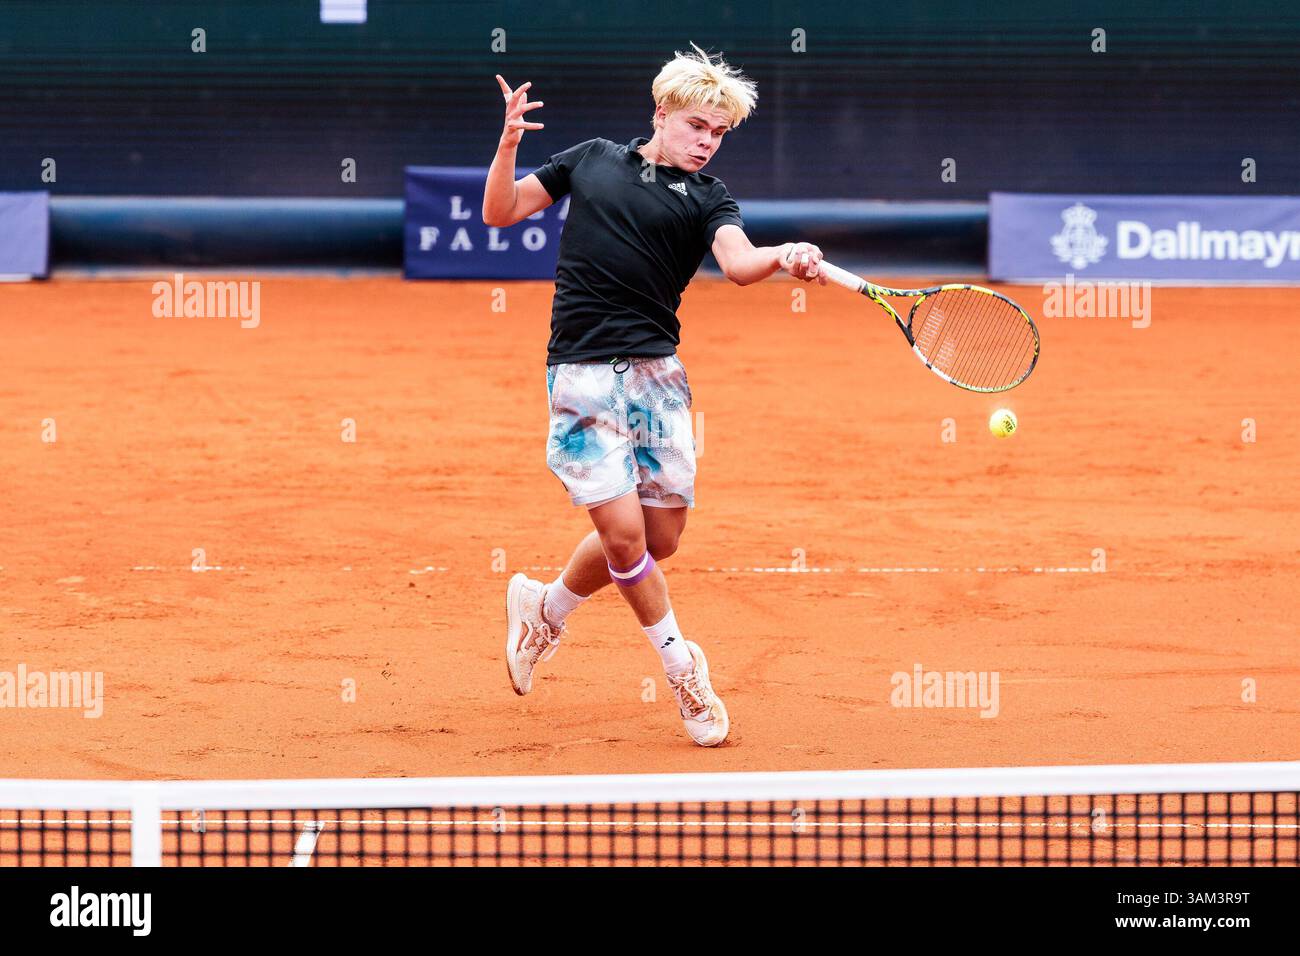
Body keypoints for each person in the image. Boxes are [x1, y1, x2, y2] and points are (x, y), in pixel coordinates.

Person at [485, 44, 826, 747]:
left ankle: (543, 609)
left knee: (656, 541)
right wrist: (508, 142)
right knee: (621, 536)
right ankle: (683, 671)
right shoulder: (591, 159)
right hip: (580, 377)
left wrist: (785, 256)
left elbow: (737, 263)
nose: (707, 141)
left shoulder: (710, 199)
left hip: (657, 380)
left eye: (719, 133)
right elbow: (501, 211)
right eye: (698, 125)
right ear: (662, 113)